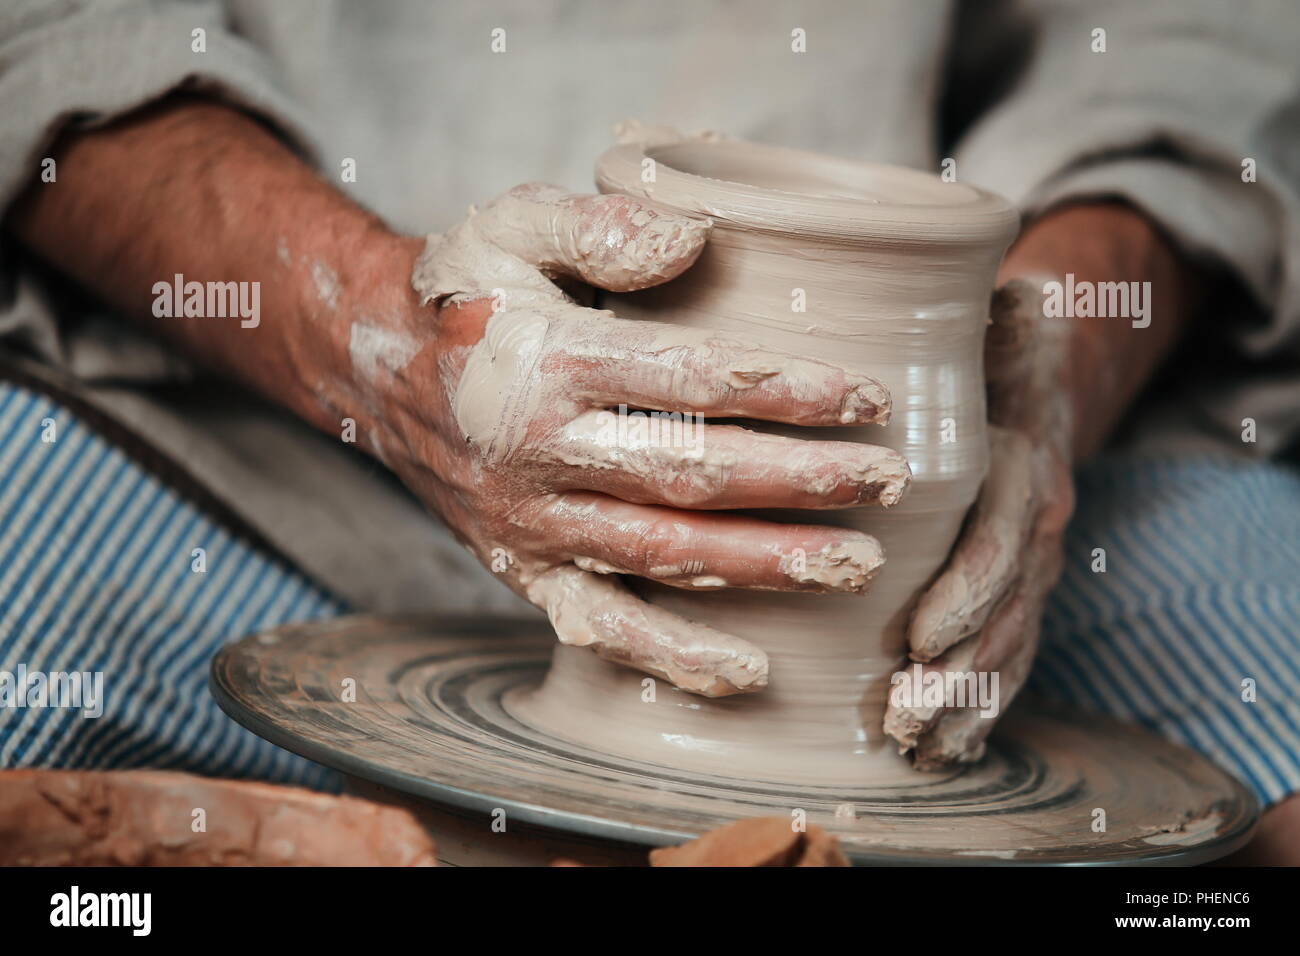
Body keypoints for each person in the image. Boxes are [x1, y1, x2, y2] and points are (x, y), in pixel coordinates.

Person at [1, 0, 1297, 863]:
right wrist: (374, 334)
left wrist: (1054, 351)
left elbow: (1194, 42)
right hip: (242, 413)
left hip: (976, 513)